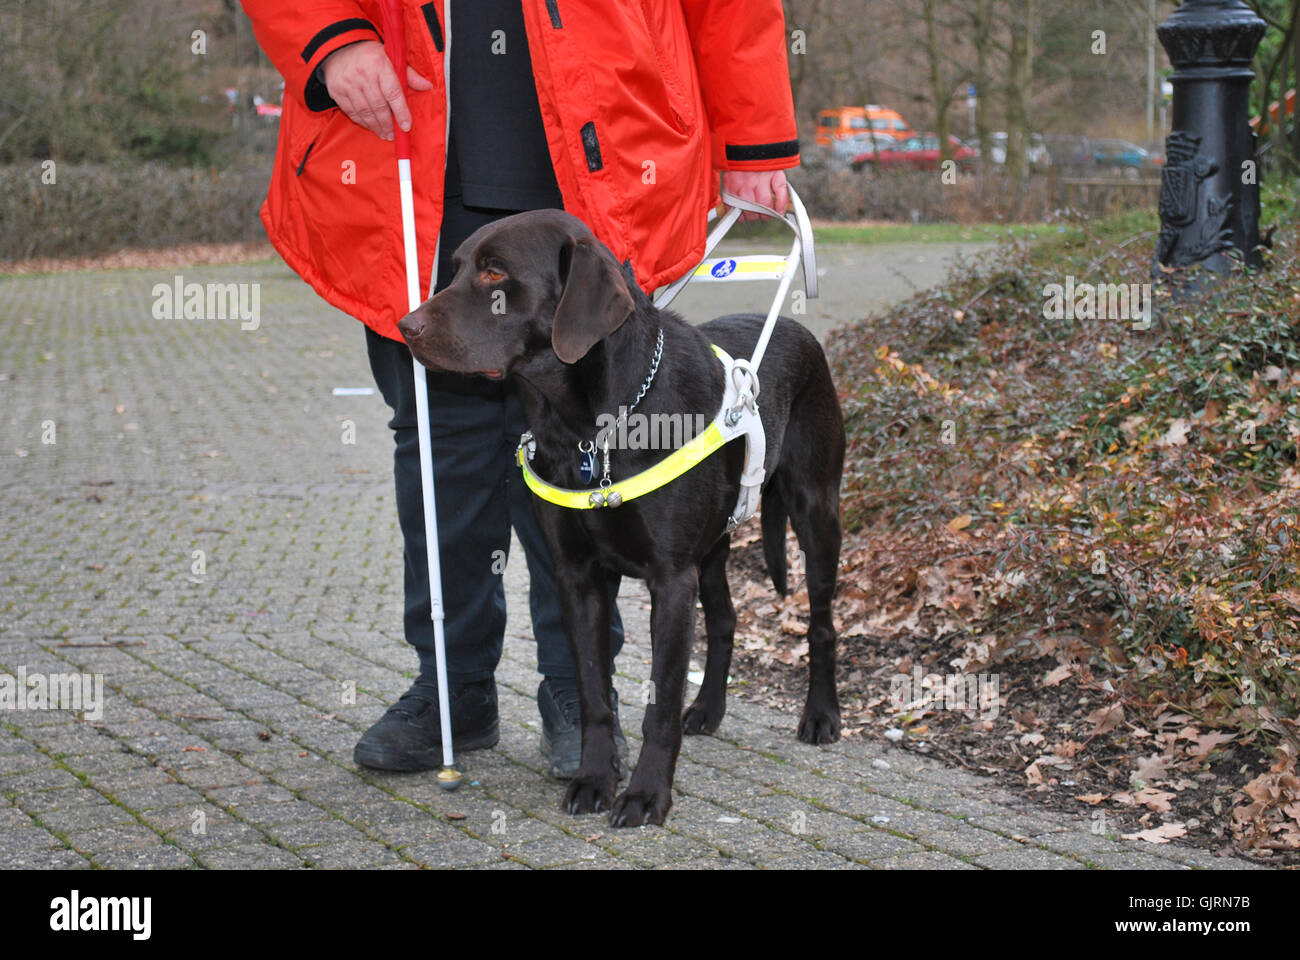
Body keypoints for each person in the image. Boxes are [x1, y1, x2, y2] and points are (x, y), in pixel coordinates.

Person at [240, 0, 800, 779]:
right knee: (439, 450)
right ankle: (453, 689)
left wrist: (755, 130)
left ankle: (580, 691)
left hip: (606, 155)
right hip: (410, 156)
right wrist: (328, 39)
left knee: (598, 447)